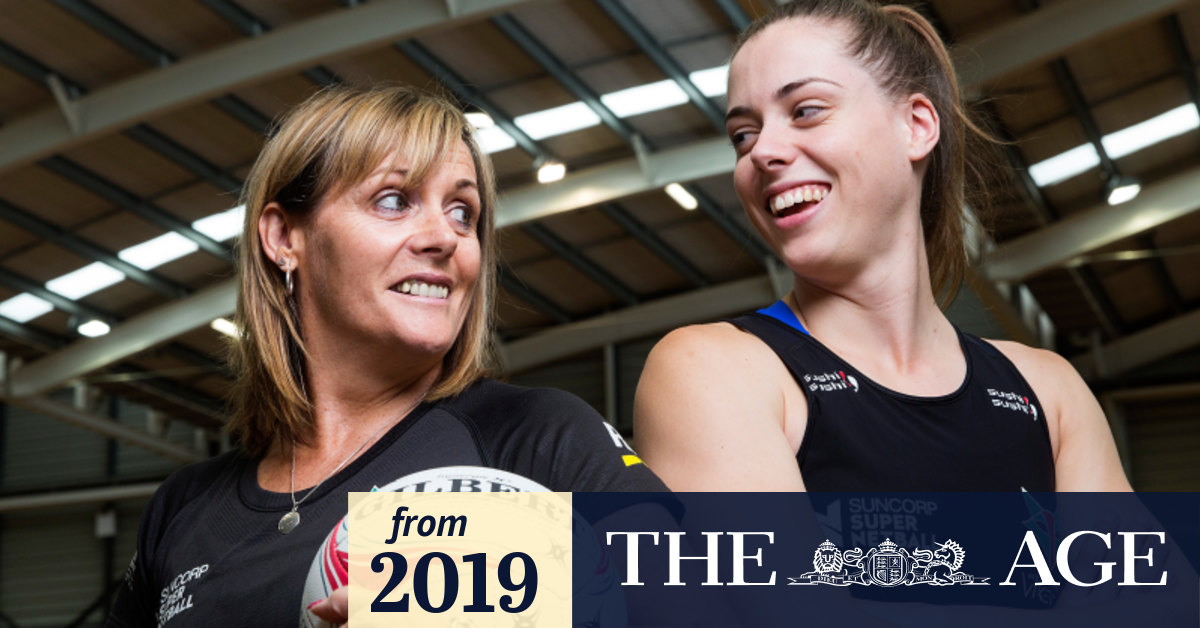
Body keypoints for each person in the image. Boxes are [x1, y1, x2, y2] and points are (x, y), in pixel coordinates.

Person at [106, 85, 665, 627]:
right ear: (283, 238)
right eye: (393, 201)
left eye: (463, 212)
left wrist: (523, 596)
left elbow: (704, 600)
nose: (444, 237)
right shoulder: (185, 508)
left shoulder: (531, 438)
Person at [634, 0, 1130, 493]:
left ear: (916, 126)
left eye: (806, 110)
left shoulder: (1048, 392)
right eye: (743, 135)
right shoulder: (715, 369)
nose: (761, 151)